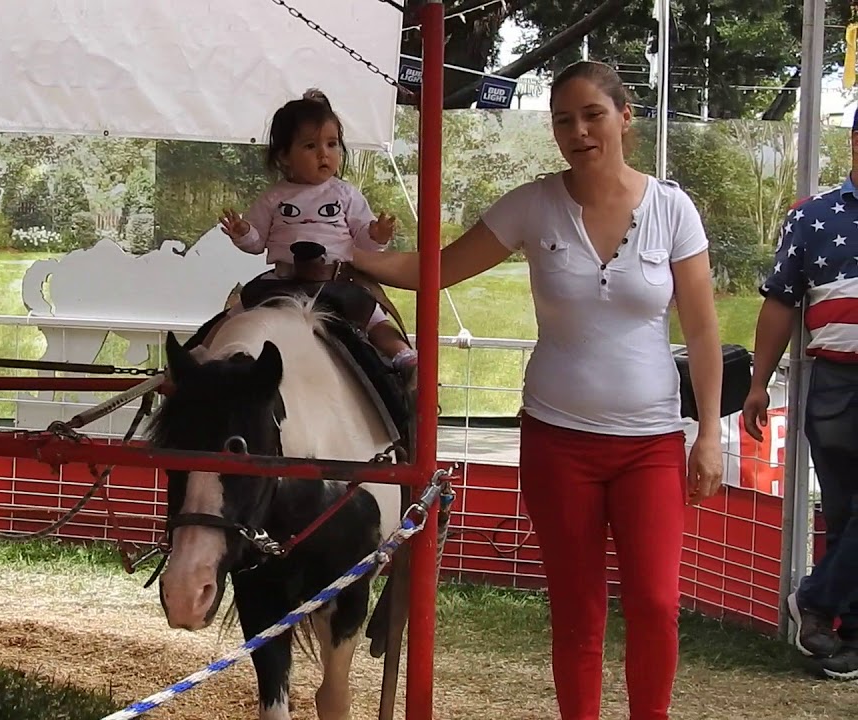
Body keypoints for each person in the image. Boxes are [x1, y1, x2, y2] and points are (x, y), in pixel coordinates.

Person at [352, 60, 725, 719]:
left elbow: (701, 331)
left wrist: (711, 436)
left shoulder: (673, 210)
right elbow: (434, 270)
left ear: (624, 117)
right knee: (577, 608)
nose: (578, 131)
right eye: (563, 120)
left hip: (651, 444)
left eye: (592, 115)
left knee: (656, 605)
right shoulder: (534, 204)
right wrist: (348, 252)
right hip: (558, 443)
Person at [742, 110, 858, 682]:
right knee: (842, 512)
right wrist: (759, 383)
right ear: (855, 142)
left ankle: (816, 605)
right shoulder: (814, 218)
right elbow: (781, 301)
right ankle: (843, 635)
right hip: (837, 381)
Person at [214, 89, 417, 373]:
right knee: (234, 315)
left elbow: (364, 241)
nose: (324, 154)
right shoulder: (273, 197)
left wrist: (377, 234)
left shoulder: (345, 194)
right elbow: (257, 243)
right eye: (310, 146)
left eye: (332, 144)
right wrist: (243, 232)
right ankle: (202, 353)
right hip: (283, 279)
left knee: (374, 318)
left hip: (336, 278)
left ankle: (402, 354)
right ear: (284, 156)